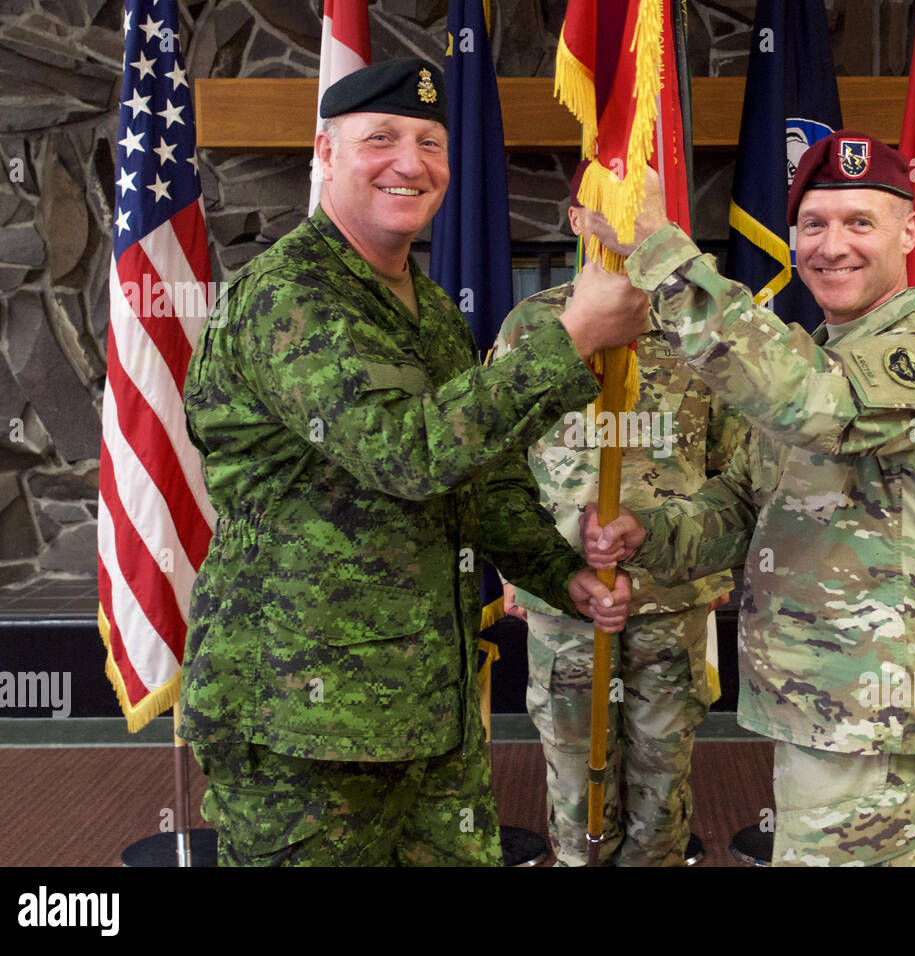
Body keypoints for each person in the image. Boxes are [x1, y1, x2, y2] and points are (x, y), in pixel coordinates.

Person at [178, 58, 644, 866]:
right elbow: (405, 453)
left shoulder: (425, 305)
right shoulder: (290, 296)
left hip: (431, 704)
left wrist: (555, 568)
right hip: (305, 720)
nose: (410, 162)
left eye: (430, 142)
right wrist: (569, 337)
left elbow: (478, 470)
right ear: (323, 153)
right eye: (380, 138)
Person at [583, 133, 915, 866]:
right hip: (821, 704)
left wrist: (659, 248)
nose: (831, 245)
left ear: (908, 231)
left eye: (859, 222)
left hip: (872, 712)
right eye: (813, 225)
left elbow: (809, 403)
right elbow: (748, 511)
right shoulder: (817, 358)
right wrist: (644, 534)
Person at [488, 163, 748, 866]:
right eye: (605, 206)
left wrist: (712, 559)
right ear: (576, 220)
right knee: (576, 780)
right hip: (564, 595)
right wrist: (518, 570)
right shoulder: (535, 327)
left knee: (663, 782)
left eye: (640, 205)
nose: (622, 221)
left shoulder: (700, 329)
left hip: (671, 596)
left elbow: (735, 461)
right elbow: (497, 463)